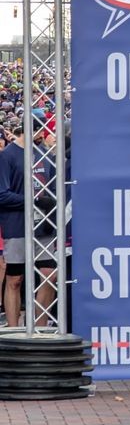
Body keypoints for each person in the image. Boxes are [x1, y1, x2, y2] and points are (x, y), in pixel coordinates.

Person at [0, 119, 55, 328]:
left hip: (44, 226)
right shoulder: (7, 156)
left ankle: (40, 326)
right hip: (17, 224)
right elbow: (2, 195)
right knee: (15, 278)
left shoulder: (45, 155)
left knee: (49, 274)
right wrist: (33, 200)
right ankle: (14, 329)